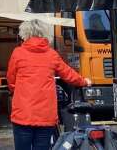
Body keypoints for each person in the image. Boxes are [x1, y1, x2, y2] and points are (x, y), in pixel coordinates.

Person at [6, 19, 91, 150]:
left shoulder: (18, 53)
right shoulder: (52, 54)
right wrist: (84, 81)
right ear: (45, 33)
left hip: (22, 113)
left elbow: (11, 80)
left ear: (25, 33)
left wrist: (18, 92)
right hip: (45, 115)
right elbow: (68, 74)